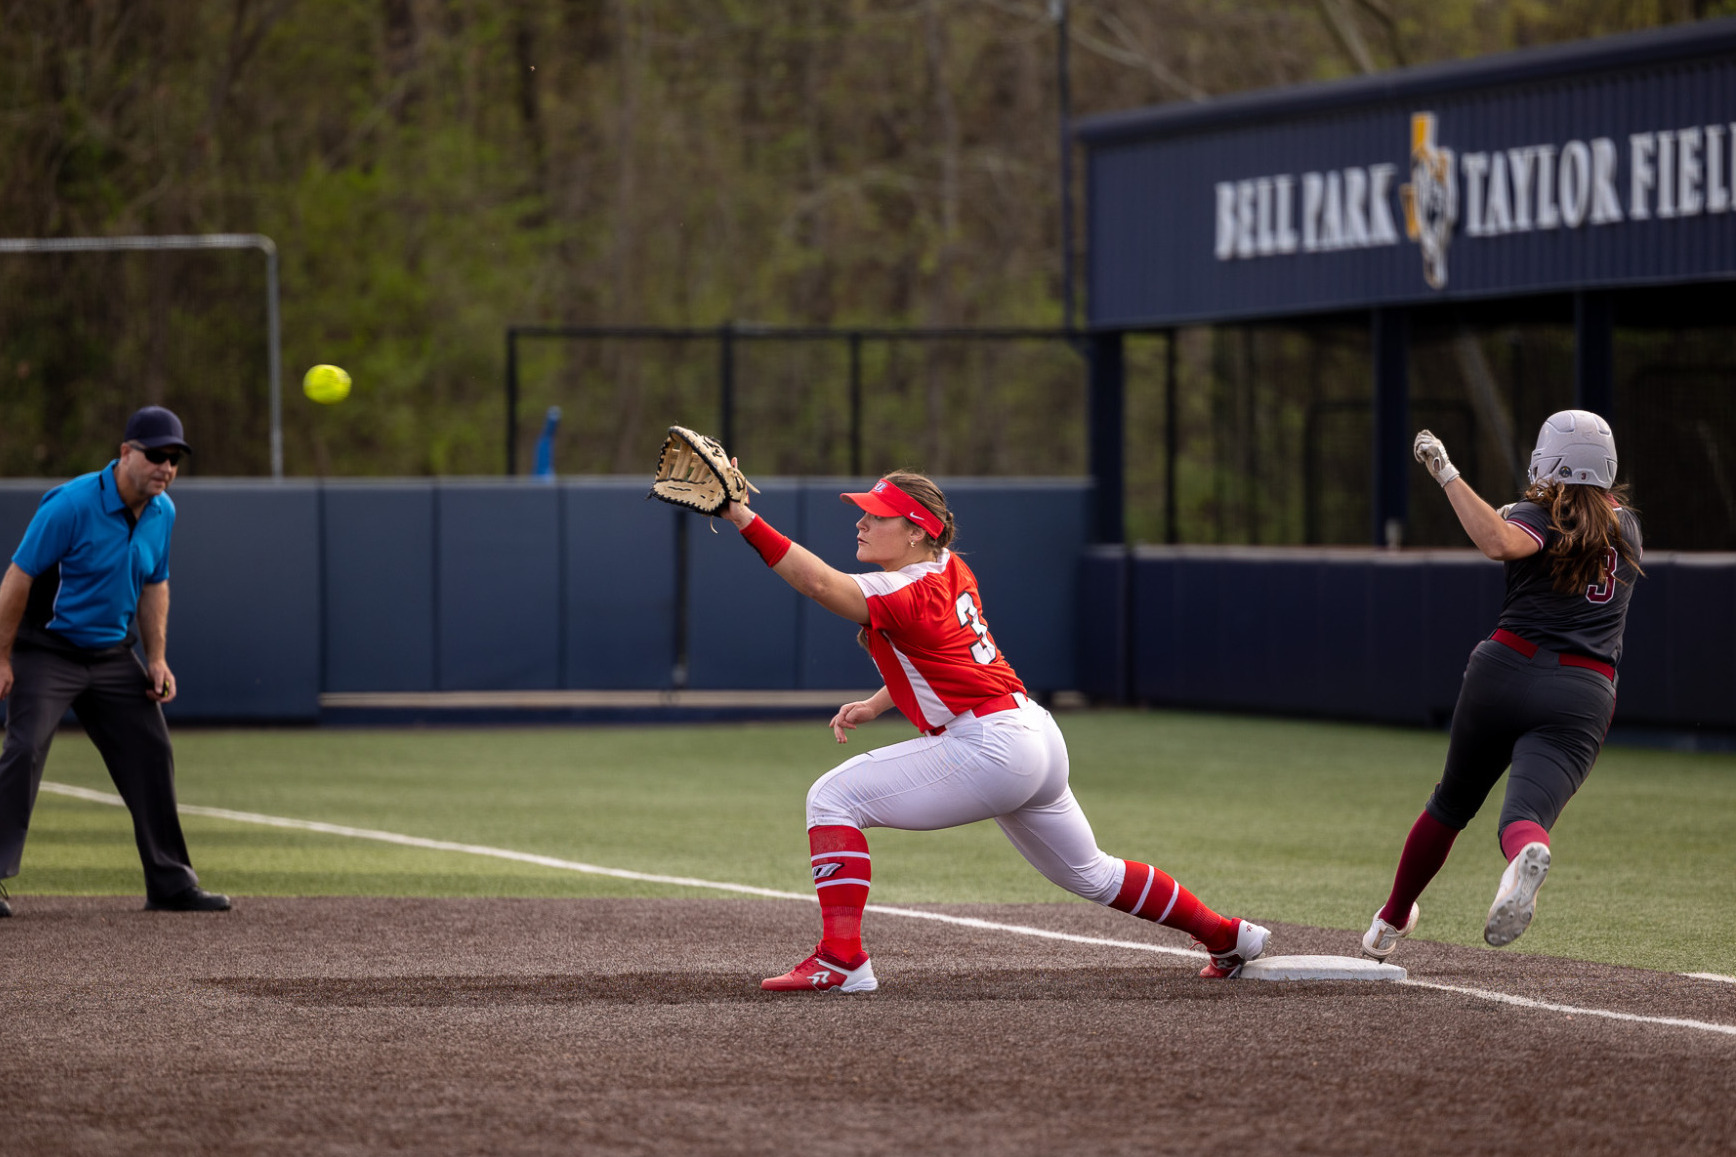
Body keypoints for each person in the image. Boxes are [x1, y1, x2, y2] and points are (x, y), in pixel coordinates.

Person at [720, 470, 1269, 991]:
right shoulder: (948, 568)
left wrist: (742, 515)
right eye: (863, 513)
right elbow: (947, 660)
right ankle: (1228, 936)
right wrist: (879, 703)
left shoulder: (910, 589)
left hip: (991, 746)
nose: (861, 523)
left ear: (918, 531)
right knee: (1092, 874)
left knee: (831, 797)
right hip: (1032, 734)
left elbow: (818, 582)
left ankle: (842, 961)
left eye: (877, 515)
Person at [1363, 411, 1641, 960]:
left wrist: (1447, 475)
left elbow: (1497, 541)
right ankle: (1525, 856)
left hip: (1504, 669)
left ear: (1548, 457)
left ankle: (1390, 921)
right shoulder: (1627, 526)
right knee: (1524, 818)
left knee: (1450, 805)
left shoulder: (1536, 512)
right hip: (1583, 692)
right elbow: (1571, 525)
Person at [0, 405, 230, 918]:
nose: (166, 468)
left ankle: (170, 883)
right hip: (48, 651)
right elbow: (17, 578)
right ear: (126, 452)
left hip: (111, 655)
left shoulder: (162, 511)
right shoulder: (71, 504)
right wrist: (2, 656)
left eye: (175, 459)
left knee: (153, 751)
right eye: (156, 456)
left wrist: (158, 660)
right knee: (24, 749)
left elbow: (155, 583)